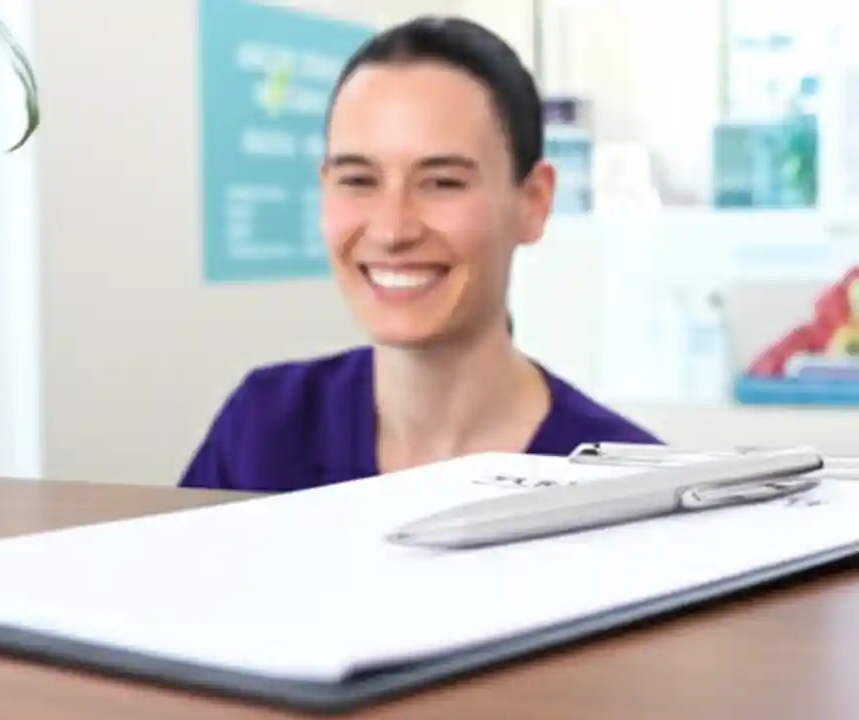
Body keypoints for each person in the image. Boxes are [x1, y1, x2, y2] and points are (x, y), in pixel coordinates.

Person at [181, 16, 661, 493]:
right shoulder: (264, 430)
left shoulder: (626, 488)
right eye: (359, 180)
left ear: (533, 202)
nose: (392, 230)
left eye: (442, 183)